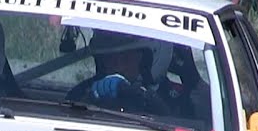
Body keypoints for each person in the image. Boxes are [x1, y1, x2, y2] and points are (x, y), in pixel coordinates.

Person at [68, 31, 200, 119]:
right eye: (109, 58)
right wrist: (88, 99)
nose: (117, 65)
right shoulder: (83, 92)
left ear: (150, 58)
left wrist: (147, 99)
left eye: (126, 57)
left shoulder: (179, 99)